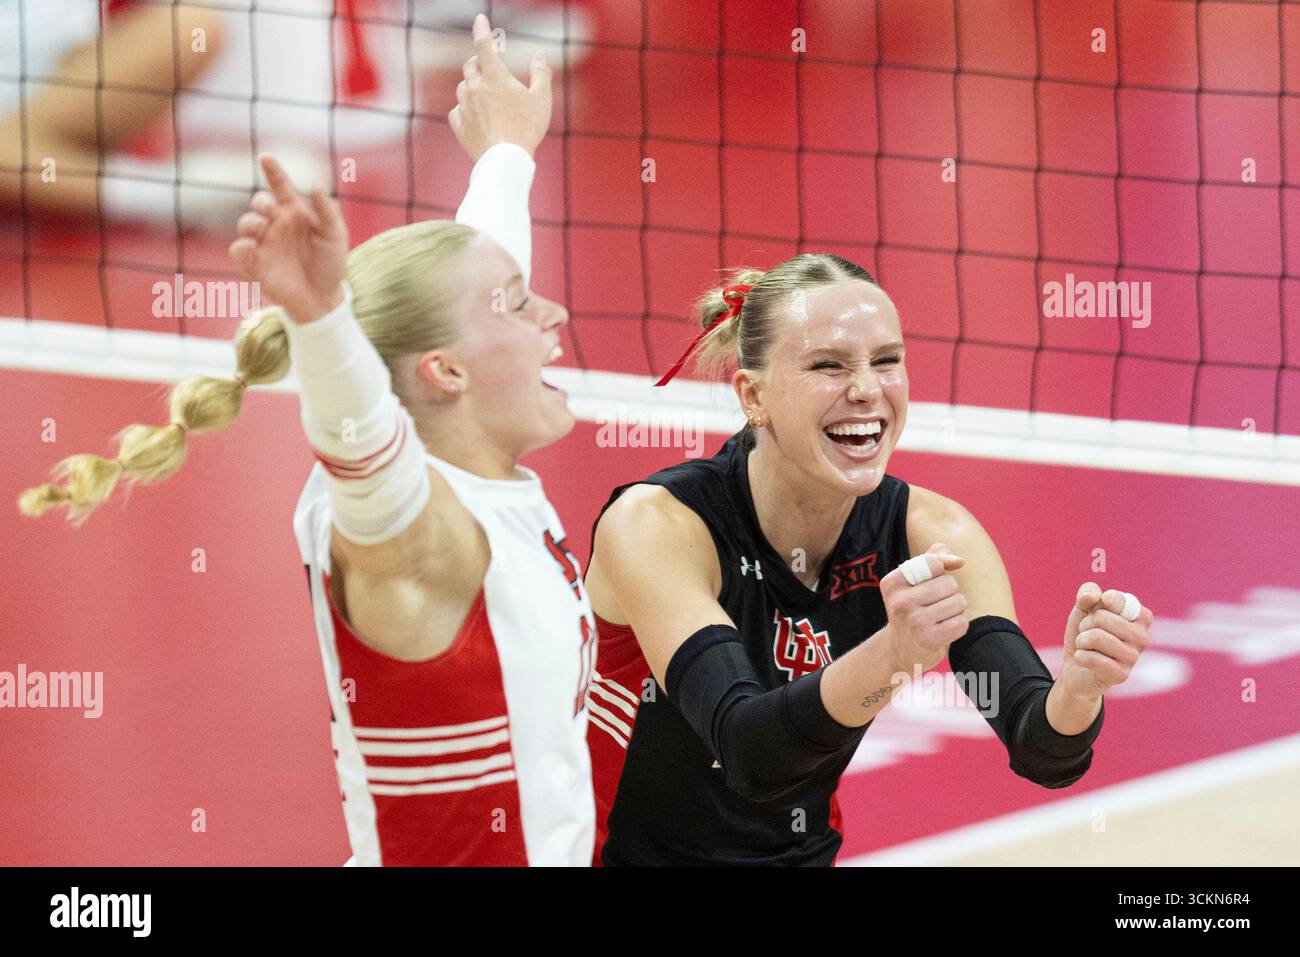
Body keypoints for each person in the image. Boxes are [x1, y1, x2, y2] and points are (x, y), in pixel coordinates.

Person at [20, 14, 597, 866]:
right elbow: (361, 434)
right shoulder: (410, 535)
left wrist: (507, 154)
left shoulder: (469, 462)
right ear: (443, 372)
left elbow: (467, 301)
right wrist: (321, 318)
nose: (555, 316)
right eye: (521, 306)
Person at [583, 256, 1155, 865]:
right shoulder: (659, 526)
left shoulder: (933, 531)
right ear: (754, 395)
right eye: (828, 366)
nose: (866, 389)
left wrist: (1078, 689)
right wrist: (893, 655)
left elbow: (1041, 750)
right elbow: (748, 752)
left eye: (887, 361)